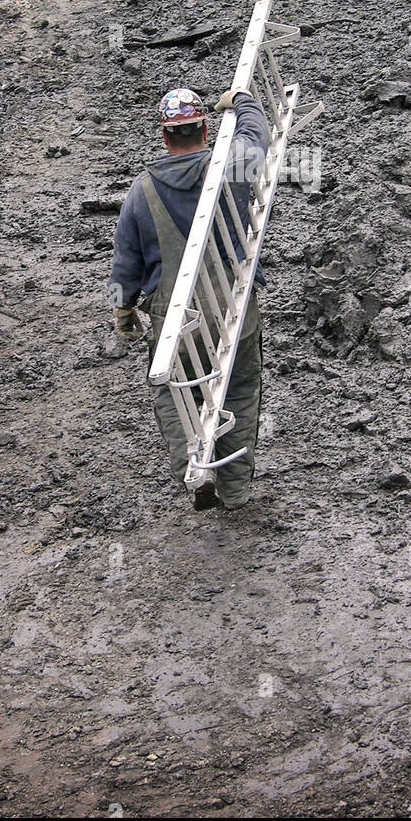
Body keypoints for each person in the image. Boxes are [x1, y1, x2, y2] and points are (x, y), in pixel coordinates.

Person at [108, 86, 269, 511]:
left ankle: (194, 472)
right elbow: (257, 137)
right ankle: (236, 491)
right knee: (238, 392)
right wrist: (242, 100)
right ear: (205, 128)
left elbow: (126, 259)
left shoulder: (141, 192)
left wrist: (123, 308)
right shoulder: (230, 167)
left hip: (176, 320)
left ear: (164, 137)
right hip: (233, 309)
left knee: (175, 395)